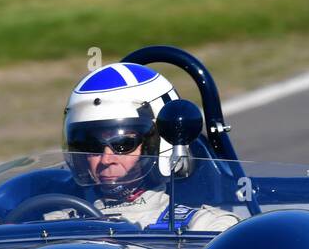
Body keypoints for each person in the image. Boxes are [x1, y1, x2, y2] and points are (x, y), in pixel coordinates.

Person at [59, 63, 238, 232]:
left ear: (158, 145)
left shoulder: (205, 225)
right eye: (91, 146)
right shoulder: (54, 223)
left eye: (123, 145)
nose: (106, 160)